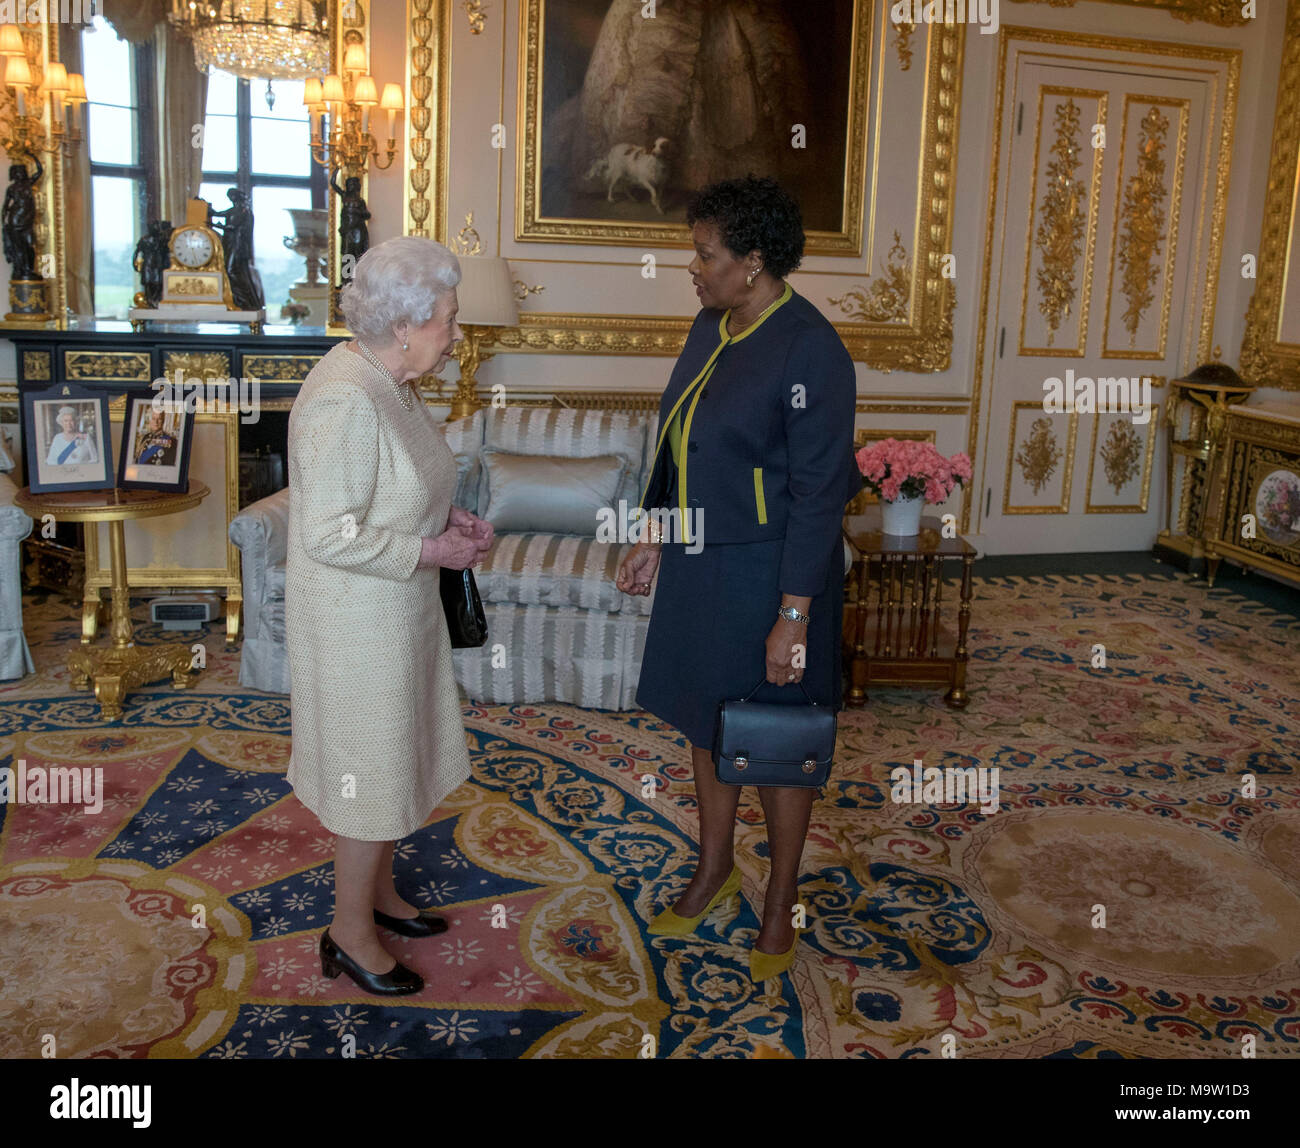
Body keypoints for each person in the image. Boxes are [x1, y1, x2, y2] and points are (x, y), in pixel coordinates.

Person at [617, 175, 859, 983]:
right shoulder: (710, 324)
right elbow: (677, 436)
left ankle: (783, 893)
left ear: (754, 263)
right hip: (698, 562)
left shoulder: (811, 349)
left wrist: (793, 616)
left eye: (706, 253)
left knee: (777, 738)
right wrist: (657, 531)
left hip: (772, 573)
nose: (693, 265)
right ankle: (715, 866)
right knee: (704, 720)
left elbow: (820, 494)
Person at [285, 235, 494, 996]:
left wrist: (454, 520)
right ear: (405, 324)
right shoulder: (347, 393)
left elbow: (403, 483)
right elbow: (328, 532)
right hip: (355, 624)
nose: (457, 332)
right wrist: (434, 550)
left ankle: (376, 895)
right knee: (368, 773)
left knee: (396, 755)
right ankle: (348, 934)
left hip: (395, 609)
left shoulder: (393, 380)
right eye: (449, 317)